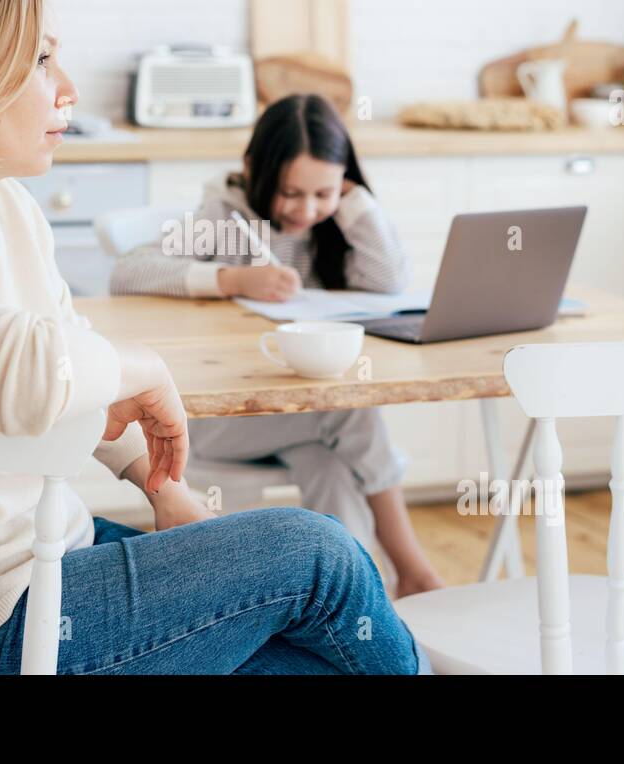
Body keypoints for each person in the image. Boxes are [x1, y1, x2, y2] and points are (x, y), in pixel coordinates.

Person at [0, 0, 429, 674]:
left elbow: (73, 363)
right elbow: (26, 376)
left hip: (47, 566)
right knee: (319, 553)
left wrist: (164, 488)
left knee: (313, 658)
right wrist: (141, 366)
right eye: (42, 61)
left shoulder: (3, 209)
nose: (69, 90)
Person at [109, 94, 445, 597]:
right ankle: (411, 566)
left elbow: (390, 281)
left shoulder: (336, 223)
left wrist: (354, 203)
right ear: (255, 169)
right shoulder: (224, 217)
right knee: (349, 408)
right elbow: (128, 271)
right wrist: (232, 278)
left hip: (297, 421)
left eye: (324, 192)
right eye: (292, 192)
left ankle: (360, 603)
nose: (306, 210)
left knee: (329, 468)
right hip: (221, 421)